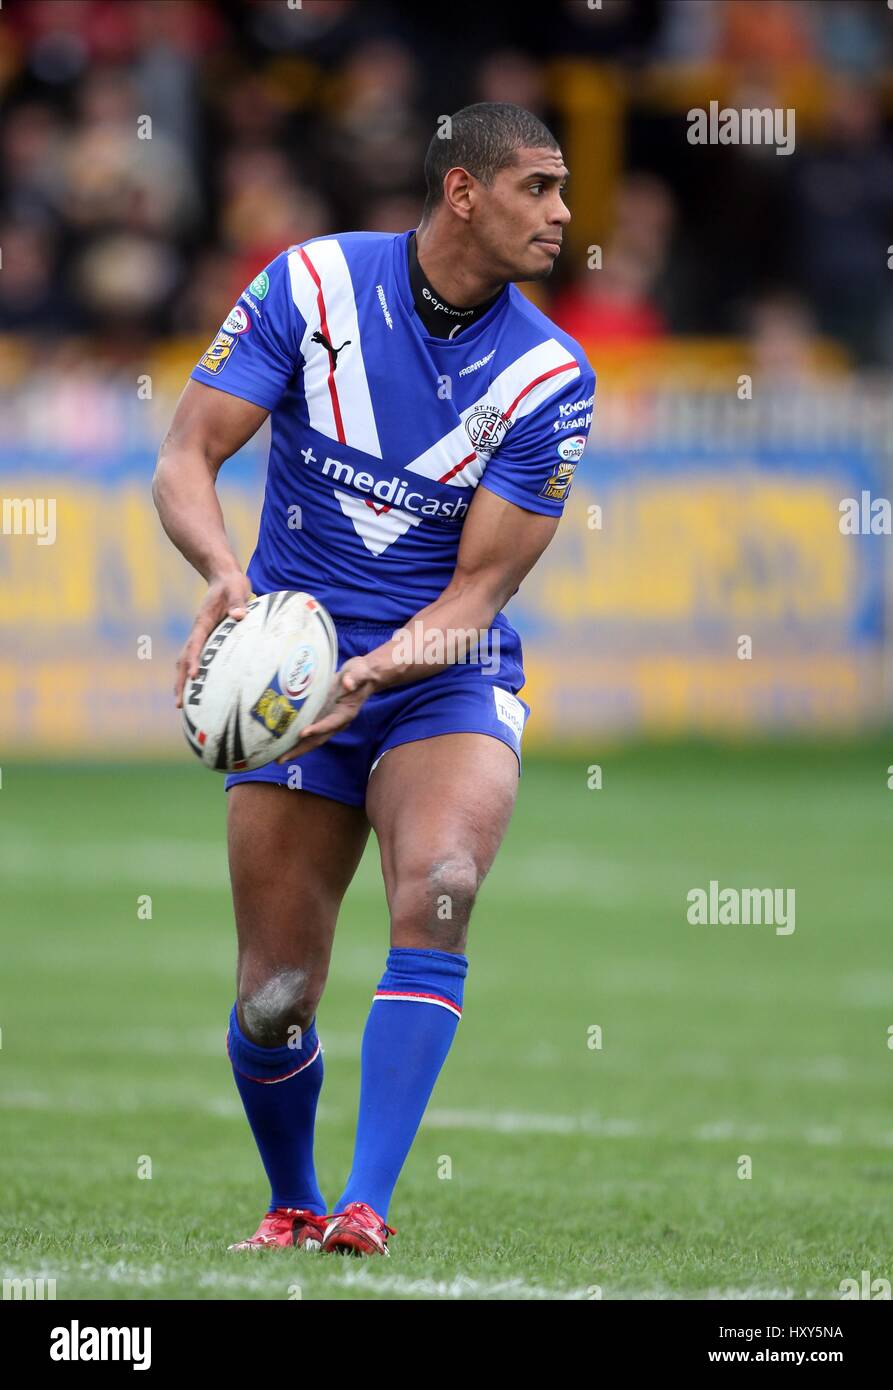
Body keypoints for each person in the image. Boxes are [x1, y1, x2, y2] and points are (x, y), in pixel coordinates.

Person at [152, 102, 595, 1256]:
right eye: (538, 187)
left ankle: (364, 1205)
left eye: (560, 189)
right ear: (462, 191)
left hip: (440, 674)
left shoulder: (549, 374)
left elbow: (478, 591)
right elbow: (187, 453)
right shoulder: (309, 286)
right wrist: (223, 576)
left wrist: (374, 671)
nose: (561, 213)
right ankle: (293, 1200)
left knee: (440, 882)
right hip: (295, 683)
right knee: (274, 995)